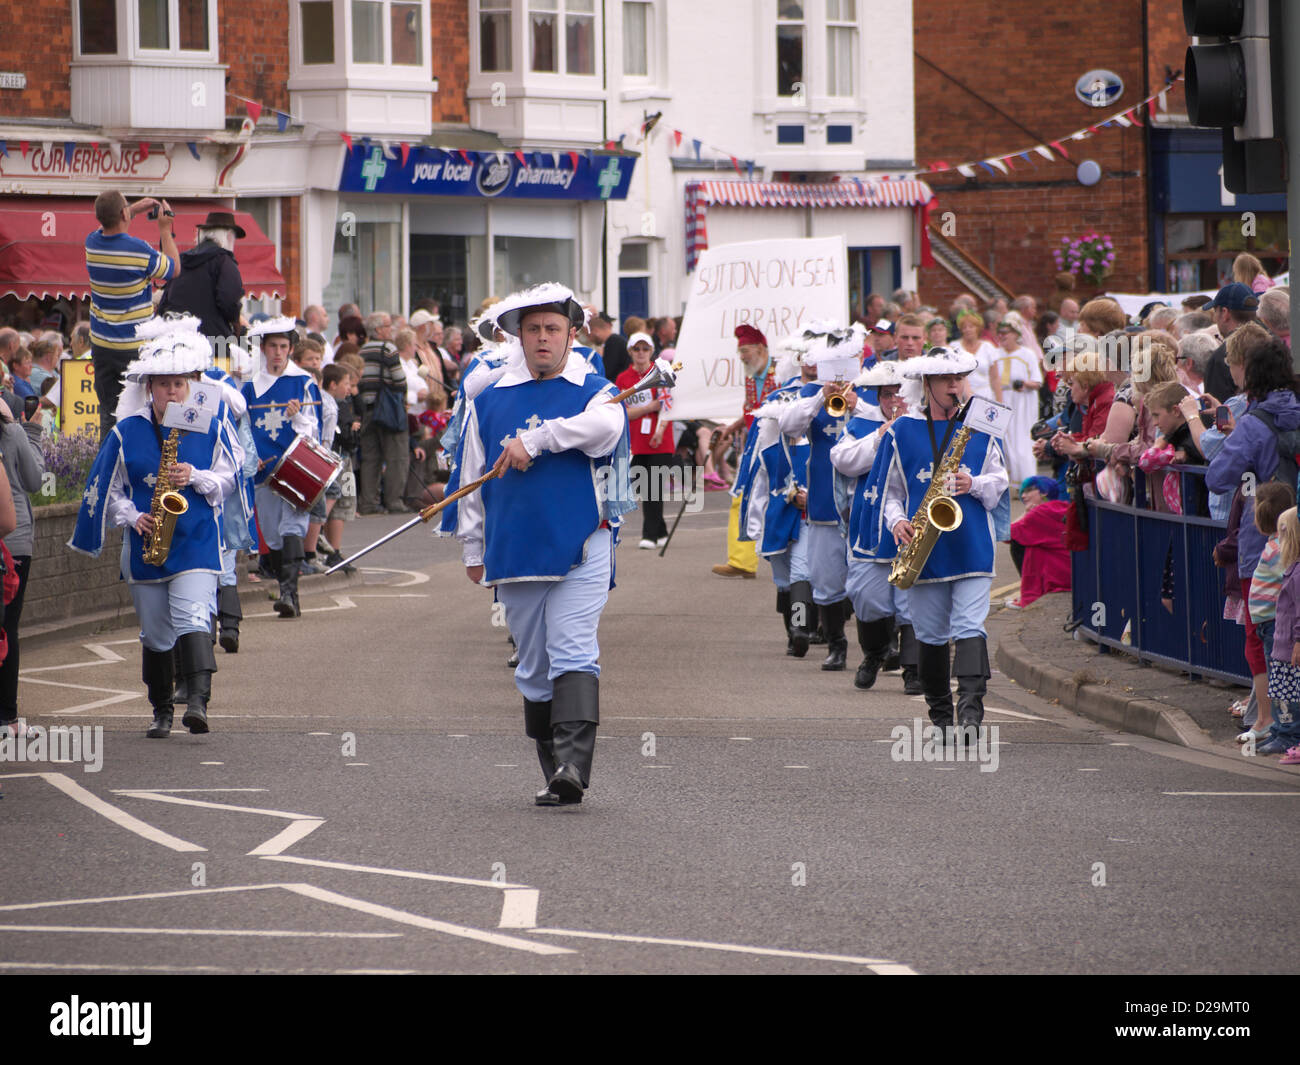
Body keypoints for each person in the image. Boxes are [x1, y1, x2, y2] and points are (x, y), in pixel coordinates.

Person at [455, 283, 630, 806]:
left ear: (572, 334)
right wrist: (472, 547)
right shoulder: (488, 398)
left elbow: (606, 428)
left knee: (573, 648)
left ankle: (573, 767)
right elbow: (471, 477)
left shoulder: (595, 389)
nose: (543, 338)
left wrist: (537, 439)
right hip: (515, 547)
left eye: (553, 328)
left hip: (583, 542)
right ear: (519, 336)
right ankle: (554, 766)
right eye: (533, 330)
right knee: (533, 668)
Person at [68, 315, 240, 737]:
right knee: (157, 634)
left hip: (196, 538)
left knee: (194, 615)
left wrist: (196, 476)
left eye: (179, 383)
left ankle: (198, 702)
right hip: (146, 543)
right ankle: (161, 709)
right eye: (164, 384)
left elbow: (232, 478)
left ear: (191, 385)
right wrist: (132, 515)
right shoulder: (127, 431)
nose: (172, 391)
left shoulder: (212, 423)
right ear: (149, 388)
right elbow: (107, 490)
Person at [880, 347, 1009, 740]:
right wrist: (897, 521)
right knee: (931, 635)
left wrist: (975, 483)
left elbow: (1000, 481)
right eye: (946, 380)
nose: (955, 386)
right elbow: (890, 492)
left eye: (960, 378)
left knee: (970, 625)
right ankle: (940, 715)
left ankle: (970, 713)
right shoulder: (902, 430)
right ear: (927, 384)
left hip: (971, 543)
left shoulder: (981, 425)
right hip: (924, 548)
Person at [1204, 336, 1300, 749]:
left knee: (1263, 634)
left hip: (1264, 539)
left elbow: (1218, 477)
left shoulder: (1254, 422)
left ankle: (1270, 721)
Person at [776, 325, 869, 671]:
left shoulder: (870, 389)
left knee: (869, 582)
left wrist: (859, 405)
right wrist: (820, 396)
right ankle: (836, 644)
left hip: (866, 502)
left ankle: (882, 645)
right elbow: (789, 426)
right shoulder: (812, 391)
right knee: (826, 580)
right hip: (823, 500)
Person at [832, 360, 921, 692]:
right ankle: (874, 652)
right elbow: (841, 460)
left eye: (900, 393)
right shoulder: (862, 423)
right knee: (867, 597)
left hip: (912, 520)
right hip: (871, 521)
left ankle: (913, 668)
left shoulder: (922, 423)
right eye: (886, 395)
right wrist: (879, 437)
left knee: (910, 601)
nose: (894, 400)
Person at [241, 317, 323, 618]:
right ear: (263, 348)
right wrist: (250, 458)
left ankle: (290, 594)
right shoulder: (250, 386)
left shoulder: (303, 381)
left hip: (295, 466)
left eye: (283, 346)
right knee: (273, 534)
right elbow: (243, 427)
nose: (278, 352)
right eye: (273, 346)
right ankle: (285, 588)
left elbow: (314, 429)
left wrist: (297, 417)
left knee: (292, 527)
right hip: (263, 468)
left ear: (290, 349)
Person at [85, 191, 179, 435]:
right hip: (133, 347)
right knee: (139, 413)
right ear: (123, 214)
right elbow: (173, 268)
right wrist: (165, 229)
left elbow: (105, 225)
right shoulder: (139, 250)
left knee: (109, 413)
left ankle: (108, 457)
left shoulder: (91, 244)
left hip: (102, 346)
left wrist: (131, 209)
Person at [711, 324, 779, 579]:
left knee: (785, 502)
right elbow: (751, 411)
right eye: (740, 352)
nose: (741, 357)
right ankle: (742, 560)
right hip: (753, 446)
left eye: (745, 351)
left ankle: (793, 562)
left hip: (779, 447)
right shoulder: (751, 375)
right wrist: (732, 427)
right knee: (741, 497)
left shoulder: (782, 373)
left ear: (761, 348)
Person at [0, 394, 45, 735]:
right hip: (12, 541)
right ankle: (8, 718)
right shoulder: (12, 431)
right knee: (7, 629)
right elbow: (34, 480)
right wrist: (31, 432)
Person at [157, 211, 246, 353]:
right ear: (229, 236)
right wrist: (235, 321)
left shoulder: (182, 260)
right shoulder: (224, 261)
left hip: (178, 343)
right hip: (214, 344)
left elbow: (164, 302)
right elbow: (229, 300)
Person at [617, 332, 674, 549]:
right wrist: (648, 408)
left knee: (654, 488)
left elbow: (668, 406)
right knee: (644, 487)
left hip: (660, 440)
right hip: (636, 441)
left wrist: (660, 430)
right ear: (630, 352)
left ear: (651, 351)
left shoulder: (661, 374)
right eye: (636, 349)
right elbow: (623, 412)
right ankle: (661, 531)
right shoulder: (623, 379)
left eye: (645, 349)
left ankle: (649, 535)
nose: (641, 353)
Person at [356, 312, 411, 515]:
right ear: (378, 330)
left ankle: (369, 502)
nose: (391, 329)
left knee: (371, 458)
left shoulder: (362, 350)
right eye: (388, 326)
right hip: (388, 411)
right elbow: (399, 380)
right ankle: (394, 501)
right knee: (397, 456)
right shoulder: (388, 348)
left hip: (367, 410)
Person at [1266, 504, 1300, 762]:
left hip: (1291, 646)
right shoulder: (1293, 569)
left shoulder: (1298, 573)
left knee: (1292, 698)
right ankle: (1281, 732)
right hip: (1283, 645)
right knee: (1283, 695)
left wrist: (1298, 640)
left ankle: (1291, 736)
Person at [991, 319, 1044, 483]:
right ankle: (1008, 481)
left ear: (1015, 334)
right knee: (1005, 441)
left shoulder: (1027, 354)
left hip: (1022, 401)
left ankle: (1026, 480)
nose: (1002, 336)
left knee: (1022, 440)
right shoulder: (995, 354)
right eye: (1000, 333)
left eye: (1005, 333)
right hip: (1002, 399)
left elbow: (1037, 382)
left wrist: (1024, 383)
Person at [320, 362, 360, 572]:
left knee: (339, 502)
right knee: (343, 503)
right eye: (346, 384)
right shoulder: (338, 406)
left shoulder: (327, 402)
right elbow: (346, 436)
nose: (349, 389)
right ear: (333, 385)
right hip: (339, 460)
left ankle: (331, 549)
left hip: (336, 459)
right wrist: (353, 430)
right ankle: (333, 551)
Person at [1007, 475, 1071, 607]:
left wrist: (1025, 513)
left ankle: (1031, 595)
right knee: (1031, 542)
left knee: (1019, 542)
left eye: (1028, 491)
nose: (1023, 496)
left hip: (1056, 577)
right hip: (1072, 571)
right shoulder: (1063, 506)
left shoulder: (1040, 513)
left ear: (1044, 492)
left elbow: (1006, 535)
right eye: (1022, 492)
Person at [1202, 283, 1260, 403]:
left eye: (1215, 311)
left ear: (1225, 313)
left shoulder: (1221, 357)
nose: (1214, 318)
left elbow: (1216, 410)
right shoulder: (1274, 345)